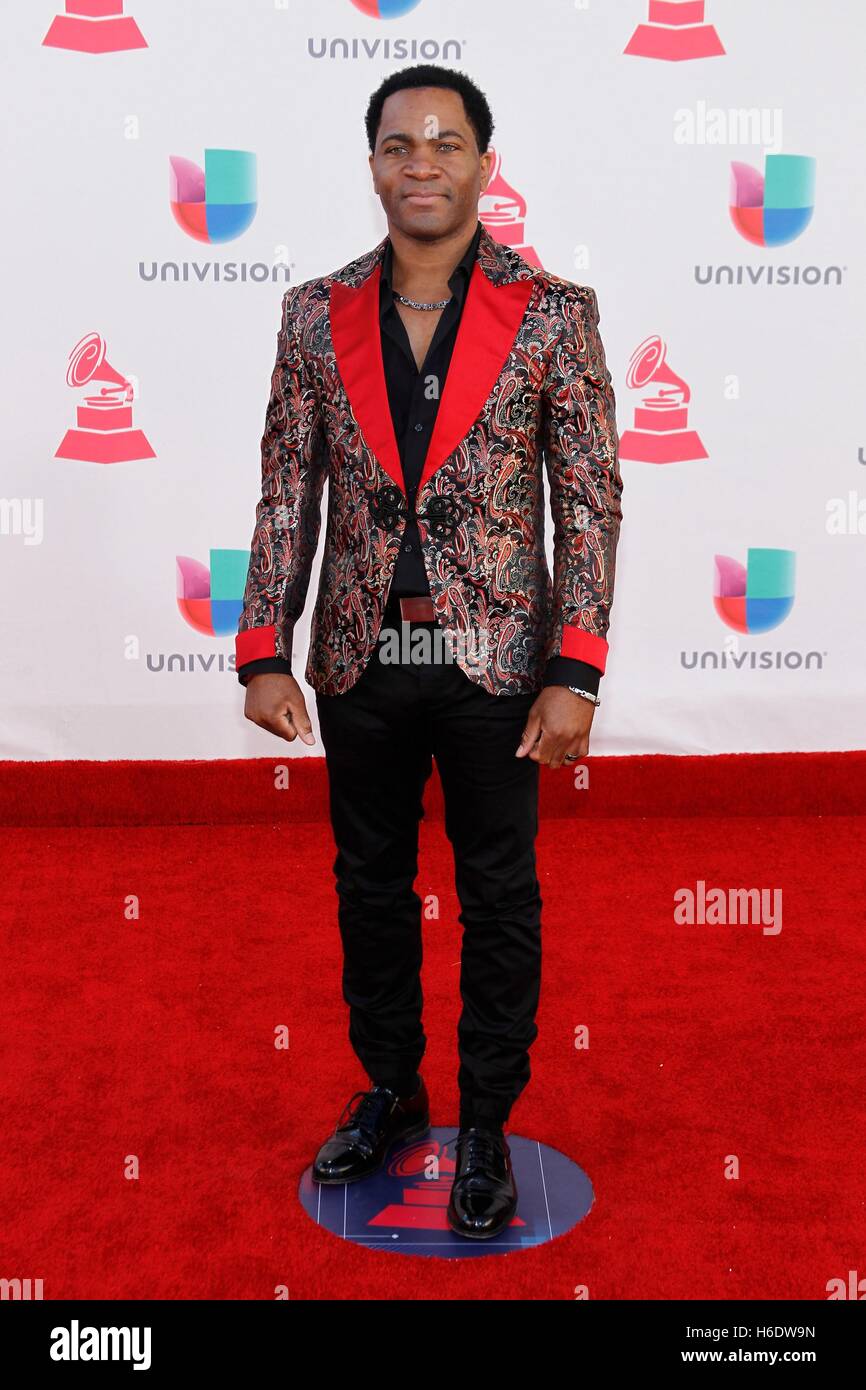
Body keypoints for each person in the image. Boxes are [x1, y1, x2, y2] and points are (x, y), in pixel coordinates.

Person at [235, 63, 623, 1240]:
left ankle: (488, 1122)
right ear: (372, 166)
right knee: (369, 887)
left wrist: (574, 671)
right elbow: (283, 497)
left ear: (483, 165)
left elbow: (590, 504)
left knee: (499, 893)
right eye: (400, 144)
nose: (422, 162)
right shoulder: (315, 312)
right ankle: (393, 1088)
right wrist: (264, 648)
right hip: (359, 658)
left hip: (496, 662)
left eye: (446, 143)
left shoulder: (554, 311)